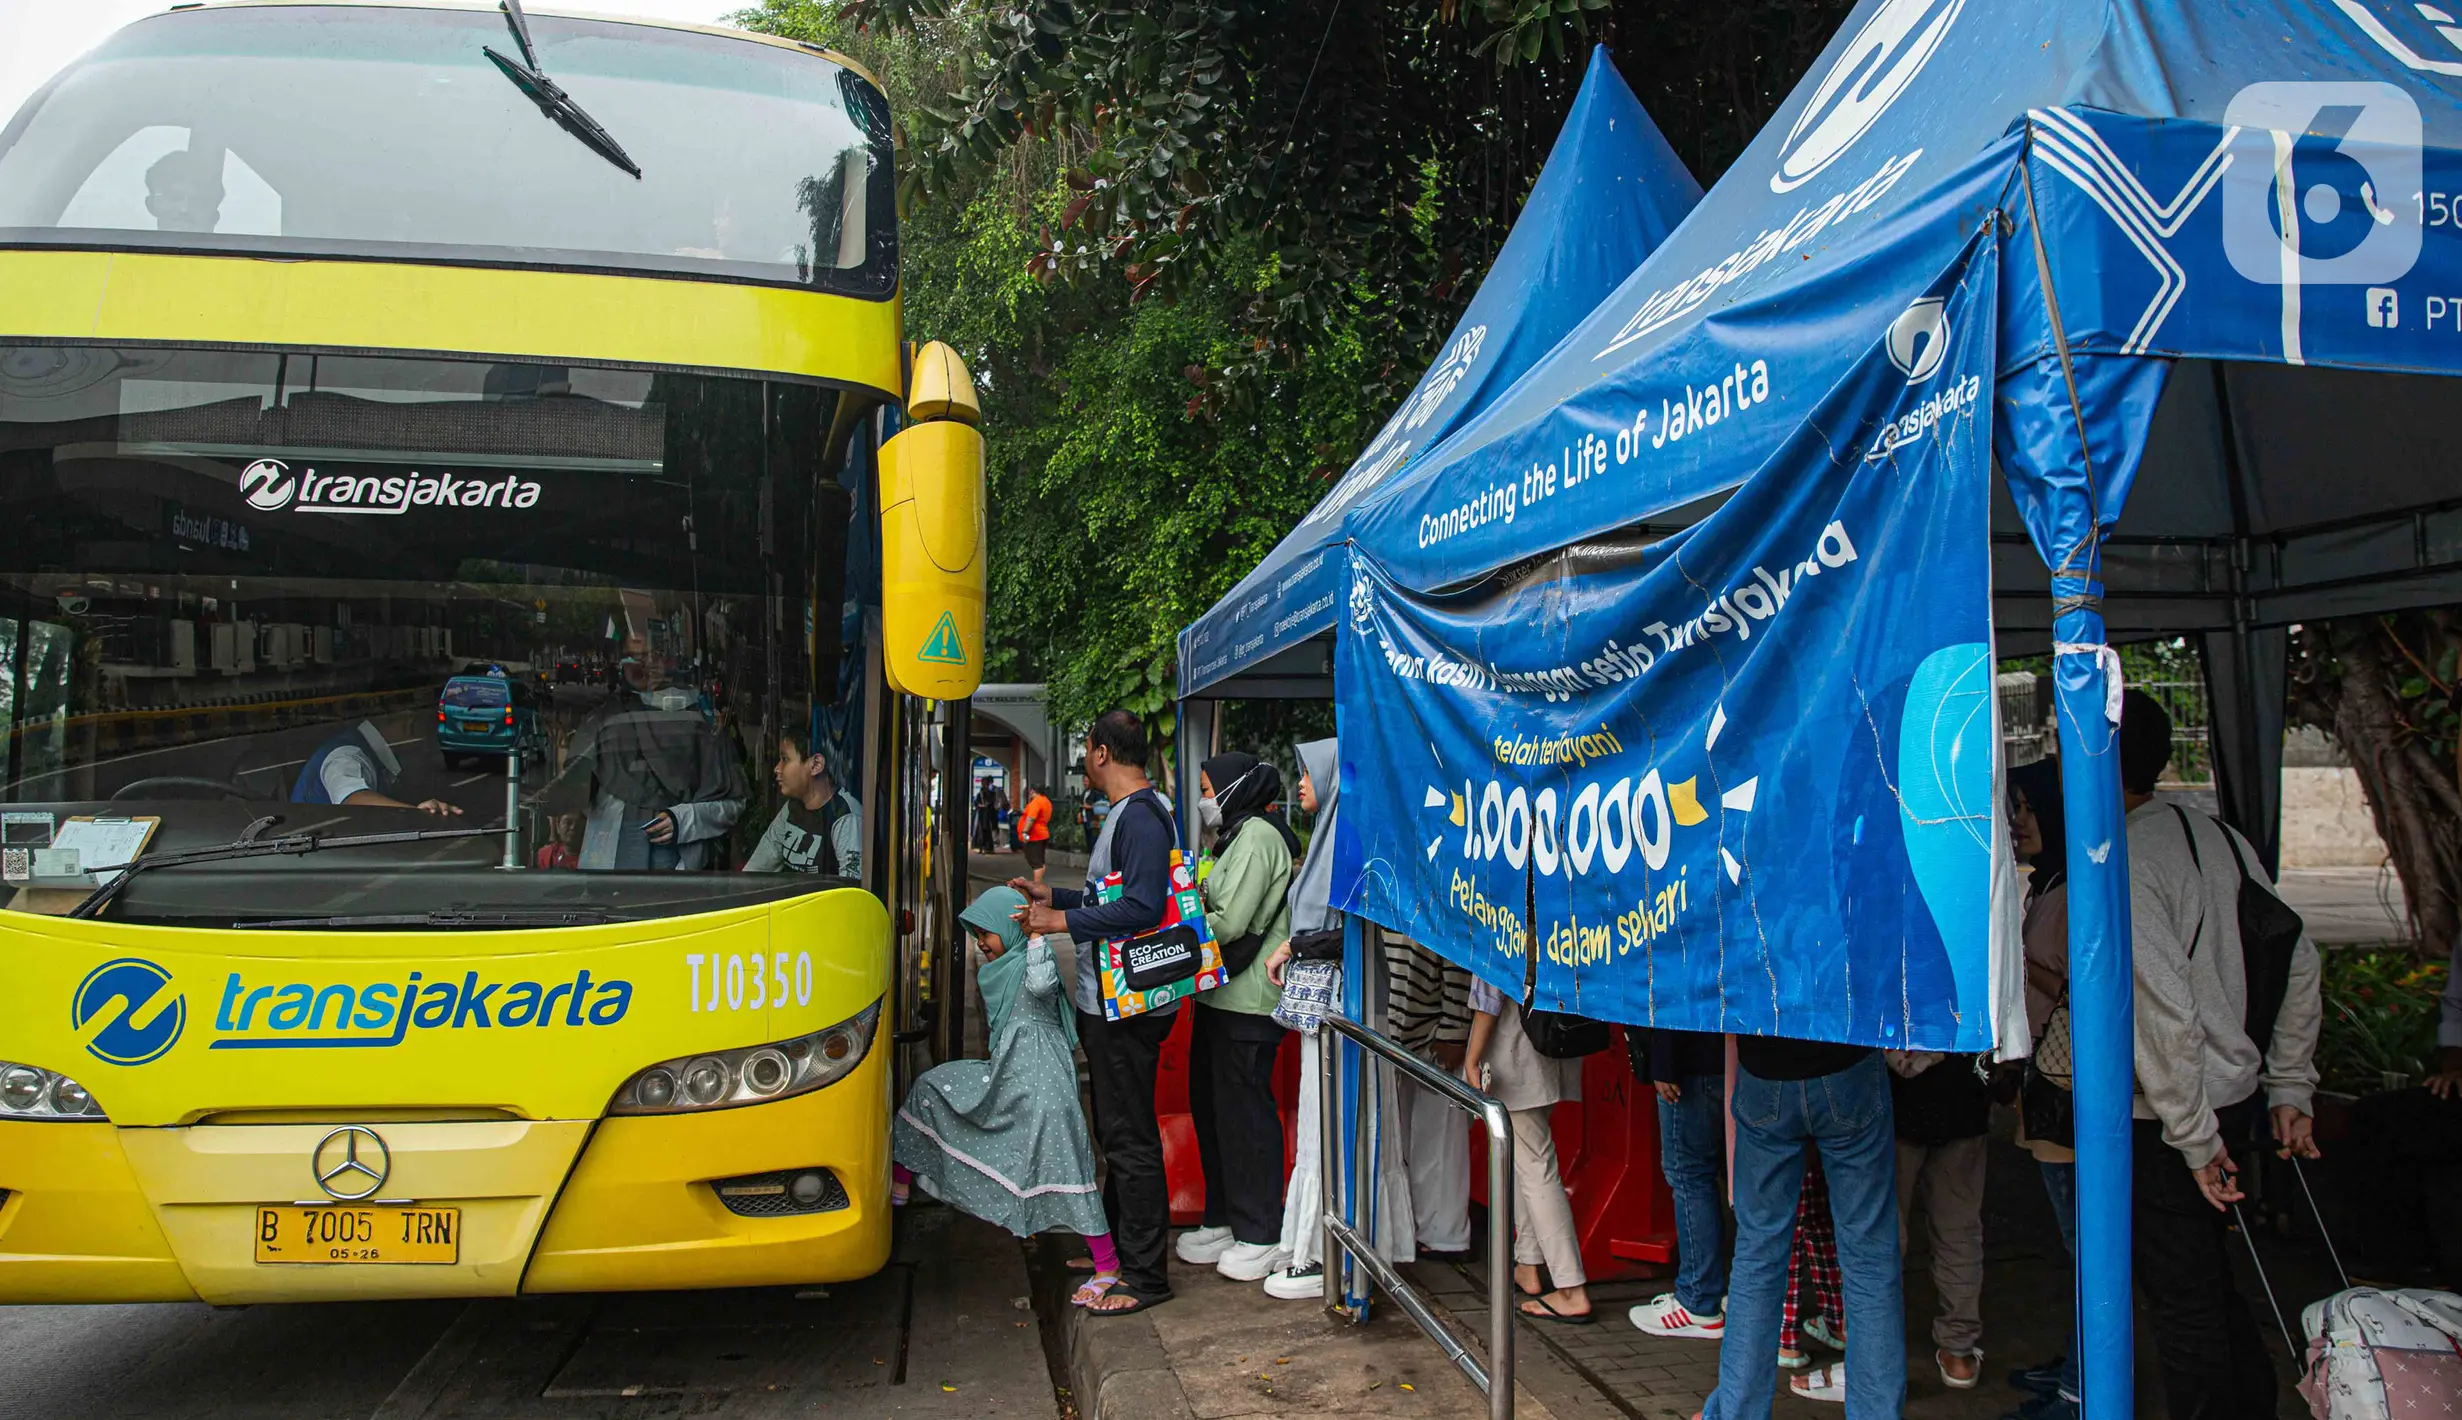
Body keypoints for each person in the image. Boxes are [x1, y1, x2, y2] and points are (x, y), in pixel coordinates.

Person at [2116, 688, 2322, 1420]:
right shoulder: (2222, 836)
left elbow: (2160, 1010)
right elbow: (2296, 954)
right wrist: (2288, 1086)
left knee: (2183, 1300)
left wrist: (2195, 1139)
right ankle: (2253, 1404)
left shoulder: (2129, 858)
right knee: (2209, 1279)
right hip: (2227, 1098)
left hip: (2170, 1118)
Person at [1011, 710, 1180, 1315]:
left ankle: (1145, 1274)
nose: (1085, 759)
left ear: (1102, 752)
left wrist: (1062, 921)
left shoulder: (1140, 817)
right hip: (1110, 1002)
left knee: (1130, 1137)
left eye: (1087, 749)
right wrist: (1052, 896)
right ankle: (1116, 1253)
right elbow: (1111, 896)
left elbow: (1139, 907)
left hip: (1127, 1009)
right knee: (1116, 1131)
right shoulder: (1128, 815)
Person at [892, 888, 1125, 1306]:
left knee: (1067, 1166)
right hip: (1009, 1076)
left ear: (1010, 928)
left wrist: (1037, 936)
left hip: (1045, 1084)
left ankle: (1107, 1266)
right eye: (977, 933)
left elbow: (1041, 986)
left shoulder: (1034, 960)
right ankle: (900, 1187)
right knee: (931, 1088)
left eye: (987, 932)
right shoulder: (1000, 969)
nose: (981, 942)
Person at [1256, 738, 1417, 1300]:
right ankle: (1326, 1245)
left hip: (1340, 999)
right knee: (1328, 1116)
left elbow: (1342, 928)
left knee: (1331, 1120)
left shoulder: (1343, 838)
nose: (1300, 782)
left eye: (1307, 773)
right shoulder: (1329, 836)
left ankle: (1332, 1252)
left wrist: (1292, 948)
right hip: (1334, 998)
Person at [1699, 1033, 1904, 1417]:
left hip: (1766, 1064)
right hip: (1848, 1057)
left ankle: (1736, 1412)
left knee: (1758, 1256)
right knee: (1870, 1261)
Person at [1176, 752, 1300, 1282]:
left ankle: (1261, 1230)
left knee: (1246, 1118)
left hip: (1249, 1004)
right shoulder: (1235, 835)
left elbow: (1227, 923)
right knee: (1214, 1112)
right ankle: (1224, 1217)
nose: (1205, 798)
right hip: (1219, 999)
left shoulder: (1258, 838)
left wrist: (1182, 905)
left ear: (1232, 789)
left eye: (1209, 788)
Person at [2006, 759, 2083, 1420]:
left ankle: (2080, 1388)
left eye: (2028, 807)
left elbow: (2044, 991)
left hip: (2064, 1089)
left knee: (2082, 1244)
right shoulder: (2052, 882)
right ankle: (2077, 1366)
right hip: (2051, 1084)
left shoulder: (2070, 892)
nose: (2017, 820)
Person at [540, 644, 746, 870]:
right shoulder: (603, 722)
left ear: (668, 662)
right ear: (622, 665)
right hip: (606, 872)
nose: (644, 665)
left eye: (653, 655)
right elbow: (572, 792)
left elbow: (732, 802)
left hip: (674, 873)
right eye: (634, 657)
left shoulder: (697, 720)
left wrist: (684, 820)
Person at [1462, 974, 1591, 1324]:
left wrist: (1471, 1058)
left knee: (1535, 1166)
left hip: (1514, 1049)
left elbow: (1489, 994)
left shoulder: (1505, 918)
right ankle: (1528, 1265)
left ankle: (1570, 1288)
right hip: (1555, 1040)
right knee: (1526, 1158)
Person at [1888, 1049, 1990, 1390]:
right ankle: (1958, 1353)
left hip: (1895, 1105)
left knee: (1885, 1234)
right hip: (1963, 1098)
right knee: (1959, 1232)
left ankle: (1878, 1350)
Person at [1628, 1028, 1730, 1339]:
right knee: (1742, 1183)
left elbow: (1675, 987)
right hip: (1740, 1057)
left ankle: (1698, 1301)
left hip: (1693, 1060)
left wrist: (1665, 1061)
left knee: (1689, 1176)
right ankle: (1741, 1295)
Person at [1388, 935, 1474, 1259]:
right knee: (1421, 1137)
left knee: (1439, 1139)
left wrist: (1454, 1030)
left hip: (1429, 1030)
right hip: (1404, 1024)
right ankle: (1425, 1226)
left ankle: (1445, 1234)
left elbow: (1457, 961)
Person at [743, 732, 861, 878]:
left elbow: (851, 890)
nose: (777, 768)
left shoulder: (845, 815)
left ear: (815, 765)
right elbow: (758, 867)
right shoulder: (791, 808)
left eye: (785, 759)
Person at [290, 719, 461, 816]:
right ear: (407, 725)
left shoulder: (370, 755)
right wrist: (418, 815)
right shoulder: (347, 755)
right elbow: (353, 799)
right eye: (421, 732)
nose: (422, 743)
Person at [1017, 782, 1054, 885]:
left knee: (1036, 863)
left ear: (1032, 791)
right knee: (1039, 861)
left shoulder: (1036, 802)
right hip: (1042, 834)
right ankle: (1038, 883)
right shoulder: (1046, 801)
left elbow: (1031, 818)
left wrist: (1024, 832)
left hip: (1034, 836)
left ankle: (1037, 885)